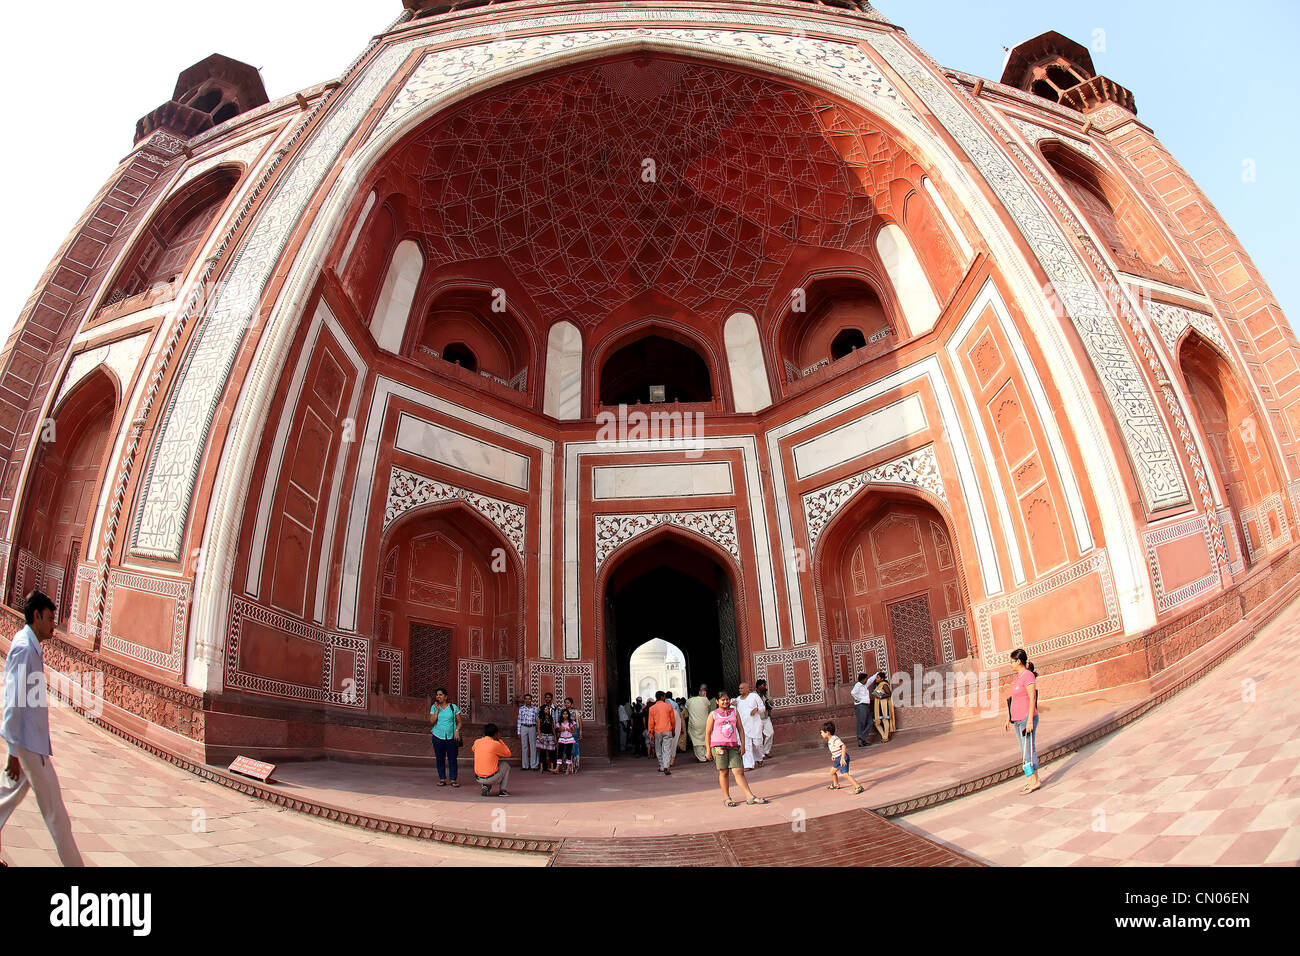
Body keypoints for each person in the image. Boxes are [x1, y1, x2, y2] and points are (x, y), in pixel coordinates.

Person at [0, 591, 84, 866]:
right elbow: (13, 701)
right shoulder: (25, 648)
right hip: (28, 746)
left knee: (7, 798)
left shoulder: (29, 644)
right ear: (36, 616)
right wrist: (13, 751)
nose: (53, 624)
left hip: (29, 743)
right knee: (56, 814)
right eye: (49, 618)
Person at [704, 690, 766, 807]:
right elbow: (707, 733)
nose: (726, 702)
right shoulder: (713, 714)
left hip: (733, 745)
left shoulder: (734, 712)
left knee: (739, 771)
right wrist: (708, 750)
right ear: (717, 702)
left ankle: (749, 796)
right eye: (723, 700)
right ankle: (727, 798)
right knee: (724, 772)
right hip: (719, 747)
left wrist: (742, 745)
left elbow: (740, 729)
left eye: (727, 699)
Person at [1004, 649, 1041, 794]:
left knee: (1028, 750)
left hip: (1026, 718)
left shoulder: (1028, 675)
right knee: (1026, 749)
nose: (1010, 664)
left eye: (1012, 661)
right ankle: (1034, 780)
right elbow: (1014, 699)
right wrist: (1009, 717)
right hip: (1017, 719)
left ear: (1018, 661)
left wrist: (1030, 720)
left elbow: (1032, 698)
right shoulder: (1017, 677)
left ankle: (1033, 781)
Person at [429, 687, 463, 787]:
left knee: (452, 758)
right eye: (437, 695)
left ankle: (453, 779)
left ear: (446, 696)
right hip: (437, 736)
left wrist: (457, 731)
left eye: (440, 695)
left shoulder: (453, 707)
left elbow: (459, 722)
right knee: (440, 758)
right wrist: (437, 711)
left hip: (451, 737)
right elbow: (431, 721)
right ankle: (442, 779)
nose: (438, 696)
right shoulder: (434, 707)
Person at [820, 721, 865, 794]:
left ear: (827, 732)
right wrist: (833, 756)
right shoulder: (830, 740)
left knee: (845, 774)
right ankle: (836, 784)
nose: (821, 734)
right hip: (837, 759)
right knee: (832, 772)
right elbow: (835, 749)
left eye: (822, 732)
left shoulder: (835, 739)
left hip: (842, 758)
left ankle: (858, 787)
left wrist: (842, 758)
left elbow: (843, 746)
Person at [473, 723, 512, 797]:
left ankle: (486, 786)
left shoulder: (477, 742)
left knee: (488, 764)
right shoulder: (495, 744)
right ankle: (502, 790)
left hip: (478, 777)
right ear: (496, 734)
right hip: (491, 778)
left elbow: (473, 749)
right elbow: (508, 754)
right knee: (505, 765)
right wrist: (500, 740)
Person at [735, 682, 766, 770]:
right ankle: (748, 764)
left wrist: (757, 709)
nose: (740, 690)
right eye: (739, 688)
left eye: (742, 688)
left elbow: (762, 708)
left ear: (748, 689)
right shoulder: (737, 699)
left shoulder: (754, 696)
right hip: (743, 727)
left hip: (755, 725)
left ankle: (759, 758)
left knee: (757, 744)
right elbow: (734, 711)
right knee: (746, 745)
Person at [647, 691, 679, 774]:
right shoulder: (668, 707)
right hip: (667, 730)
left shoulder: (652, 708)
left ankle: (661, 766)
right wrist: (673, 730)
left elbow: (650, 722)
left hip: (657, 731)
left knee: (658, 749)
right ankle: (666, 766)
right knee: (666, 749)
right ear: (662, 697)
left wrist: (651, 733)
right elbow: (672, 720)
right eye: (664, 696)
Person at [686, 685, 712, 762]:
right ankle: (707, 754)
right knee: (706, 738)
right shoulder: (705, 699)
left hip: (694, 723)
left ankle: (702, 758)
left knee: (696, 740)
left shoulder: (688, 701)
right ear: (699, 692)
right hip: (705, 722)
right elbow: (709, 707)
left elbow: (687, 708)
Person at [517, 693, 539, 770]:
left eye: (529, 699)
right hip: (524, 727)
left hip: (532, 727)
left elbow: (537, 720)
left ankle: (534, 765)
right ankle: (525, 765)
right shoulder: (521, 709)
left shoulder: (535, 709)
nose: (527, 700)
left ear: (531, 700)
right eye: (526, 699)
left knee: (533, 746)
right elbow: (519, 720)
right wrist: (518, 731)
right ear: (524, 700)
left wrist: (537, 731)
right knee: (524, 746)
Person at [537, 691, 558, 773]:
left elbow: (554, 725)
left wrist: (555, 736)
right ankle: (543, 767)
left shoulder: (554, 709)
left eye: (549, 697)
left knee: (552, 751)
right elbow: (538, 728)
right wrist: (540, 736)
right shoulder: (540, 715)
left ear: (551, 698)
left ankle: (553, 766)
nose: (547, 699)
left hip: (551, 734)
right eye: (546, 697)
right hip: (543, 734)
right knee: (542, 751)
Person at [851, 672, 873, 747]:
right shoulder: (858, 685)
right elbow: (853, 692)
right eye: (866, 679)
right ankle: (861, 740)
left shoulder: (864, 685)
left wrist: (877, 673)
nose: (867, 680)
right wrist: (858, 699)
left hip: (865, 706)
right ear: (863, 679)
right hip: (861, 706)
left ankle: (862, 738)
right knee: (861, 723)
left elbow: (870, 680)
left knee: (870, 722)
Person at [872, 672, 895, 742]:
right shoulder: (877, 685)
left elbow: (889, 693)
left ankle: (885, 737)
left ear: (882, 678)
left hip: (884, 704)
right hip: (878, 705)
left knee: (885, 720)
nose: (876, 679)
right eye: (876, 677)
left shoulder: (884, 685)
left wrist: (880, 696)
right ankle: (884, 736)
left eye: (878, 677)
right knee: (876, 722)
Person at [755, 678, 775, 759]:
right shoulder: (753, 695)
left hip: (766, 717)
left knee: (770, 733)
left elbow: (771, 703)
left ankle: (766, 751)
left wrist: (767, 697)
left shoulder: (765, 695)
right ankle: (760, 754)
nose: (765, 687)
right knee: (758, 737)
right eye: (763, 685)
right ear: (759, 686)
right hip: (757, 719)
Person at [556, 708, 578, 773]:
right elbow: (558, 730)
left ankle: (568, 769)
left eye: (566, 714)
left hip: (569, 739)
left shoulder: (571, 722)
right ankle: (557, 768)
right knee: (560, 753)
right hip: (562, 739)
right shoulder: (560, 722)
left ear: (568, 715)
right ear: (561, 715)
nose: (565, 715)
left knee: (568, 753)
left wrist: (567, 729)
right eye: (563, 714)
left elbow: (573, 731)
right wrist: (560, 729)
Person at [564, 697, 582, 772]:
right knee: (566, 748)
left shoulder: (575, 712)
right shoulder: (563, 712)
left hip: (573, 731)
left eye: (568, 703)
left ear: (571, 704)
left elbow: (580, 723)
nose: (566, 704)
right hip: (565, 731)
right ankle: (567, 765)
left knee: (574, 748)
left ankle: (575, 766)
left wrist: (580, 733)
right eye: (565, 703)